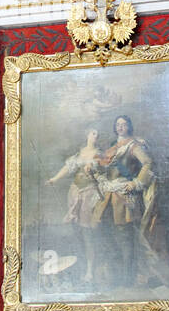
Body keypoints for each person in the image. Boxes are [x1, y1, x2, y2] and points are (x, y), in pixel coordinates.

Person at [95, 115, 157, 286]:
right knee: (108, 235)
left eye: (124, 124)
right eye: (118, 124)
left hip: (123, 196)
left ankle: (127, 279)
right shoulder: (112, 147)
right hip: (107, 197)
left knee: (125, 238)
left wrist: (136, 182)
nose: (121, 127)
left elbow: (148, 163)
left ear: (130, 126)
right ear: (115, 128)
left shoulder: (134, 146)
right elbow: (101, 165)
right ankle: (114, 277)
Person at [47, 128, 109, 283]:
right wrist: (54, 179)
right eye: (93, 132)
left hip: (90, 195)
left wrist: (94, 169)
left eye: (98, 133)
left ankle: (90, 270)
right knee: (76, 232)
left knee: (88, 233)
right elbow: (68, 168)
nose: (96, 135)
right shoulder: (79, 153)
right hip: (75, 192)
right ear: (87, 135)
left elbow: (105, 172)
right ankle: (78, 267)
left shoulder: (101, 154)